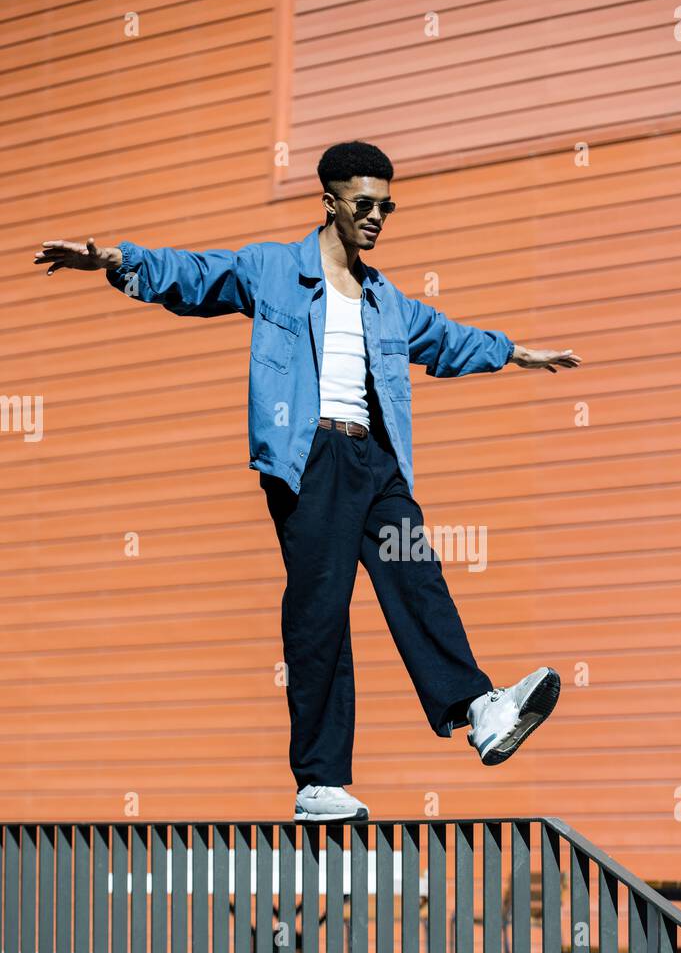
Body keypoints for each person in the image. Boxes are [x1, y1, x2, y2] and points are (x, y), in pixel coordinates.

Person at [33, 140, 579, 822]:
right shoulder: (275, 270)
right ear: (330, 202)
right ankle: (320, 779)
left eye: (387, 207)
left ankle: (478, 708)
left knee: (418, 573)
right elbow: (198, 274)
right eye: (364, 205)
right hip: (309, 457)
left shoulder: (386, 300)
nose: (377, 217)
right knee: (322, 611)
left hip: (377, 462)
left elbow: (443, 336)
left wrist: (514, 352)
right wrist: (117, 261)